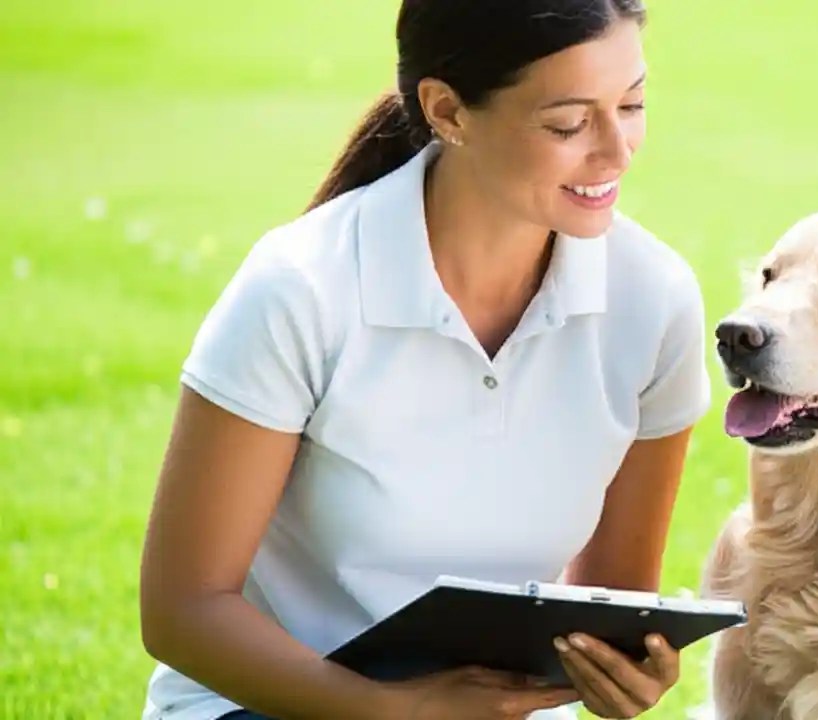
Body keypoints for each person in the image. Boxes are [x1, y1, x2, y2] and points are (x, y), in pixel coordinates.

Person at [137, 0, 712, 718]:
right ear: (447, 111)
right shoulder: (303, 287)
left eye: (631, 105)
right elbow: (183, 609)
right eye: (568, 123)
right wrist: (400, 712)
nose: (617, 149)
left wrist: (623, 672)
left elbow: (609, 606)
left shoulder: (653, 300)